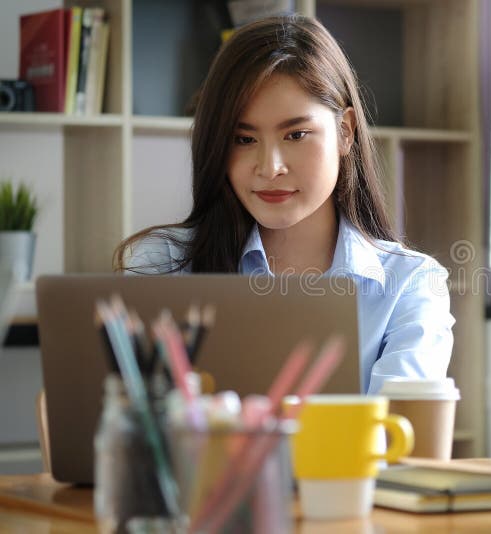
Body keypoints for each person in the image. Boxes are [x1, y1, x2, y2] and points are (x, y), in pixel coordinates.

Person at [113, 15, 454, 394]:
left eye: (296, 134)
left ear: (346, 131)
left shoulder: (410, 285)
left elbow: (396, 441)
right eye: (243, 139)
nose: (270, 167)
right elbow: (131, 435)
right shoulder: (160, 267)